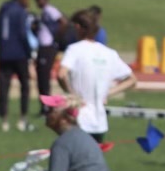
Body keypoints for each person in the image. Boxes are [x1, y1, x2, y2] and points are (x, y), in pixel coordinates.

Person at [56, 8, 137, 144]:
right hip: (100, 122)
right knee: (94, 157)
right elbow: (132, 80)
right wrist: (106, 93)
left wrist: (71, 94)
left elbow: (61, 74)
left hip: (78, 118)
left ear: (78, 27)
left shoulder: (74, 49)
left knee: (75, 156)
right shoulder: (109, 53)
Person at [0, 0, 33, 133]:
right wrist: (29, 51)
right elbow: (23, 33)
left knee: (3, 86)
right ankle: (22, 118)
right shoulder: (21, 11)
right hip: (19, 53)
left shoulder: (3, 10)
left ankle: (4, 119)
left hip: (4, 53)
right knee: (25, 85)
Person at [32, 0, 64, 112]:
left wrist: (56, 37)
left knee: (44, 77)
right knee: (41, 76)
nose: (37, 3)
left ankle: (47, 106)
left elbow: (63, 22)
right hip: (42, 47)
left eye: (39, 0)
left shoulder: (50, 10)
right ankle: (44, 105)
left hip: (48, 47)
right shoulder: (44, 12)